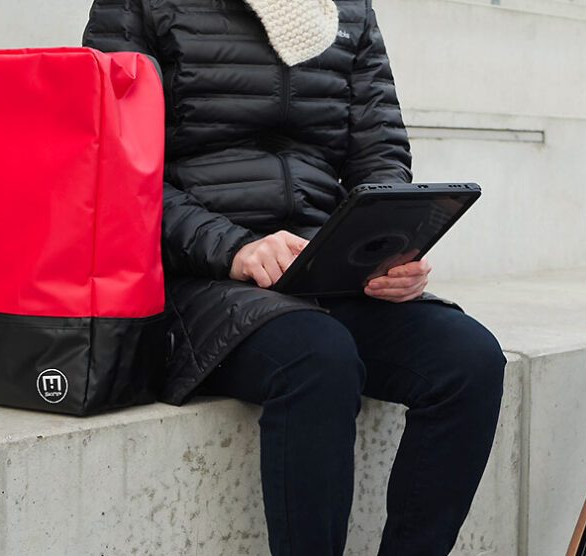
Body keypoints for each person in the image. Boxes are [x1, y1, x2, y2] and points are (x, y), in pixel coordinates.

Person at [83, 1, 506, 554]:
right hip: (195, 274)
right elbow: (114, 164)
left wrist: (391, 247)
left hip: (317, 263)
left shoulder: (346, 6)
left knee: (468, 360)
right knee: (318, 358)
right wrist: (232, 248)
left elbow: (378, 151)